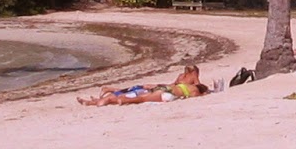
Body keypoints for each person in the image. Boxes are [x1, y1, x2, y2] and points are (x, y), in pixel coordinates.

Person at [78, 64, 209, 105]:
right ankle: (117, 98)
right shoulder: (194, 89)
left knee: (137, 91)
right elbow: (196, 93)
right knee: (139, 98)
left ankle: (98, 100)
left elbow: (171, 85)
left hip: (165, 88)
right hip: (168, 93)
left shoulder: (181, 79)